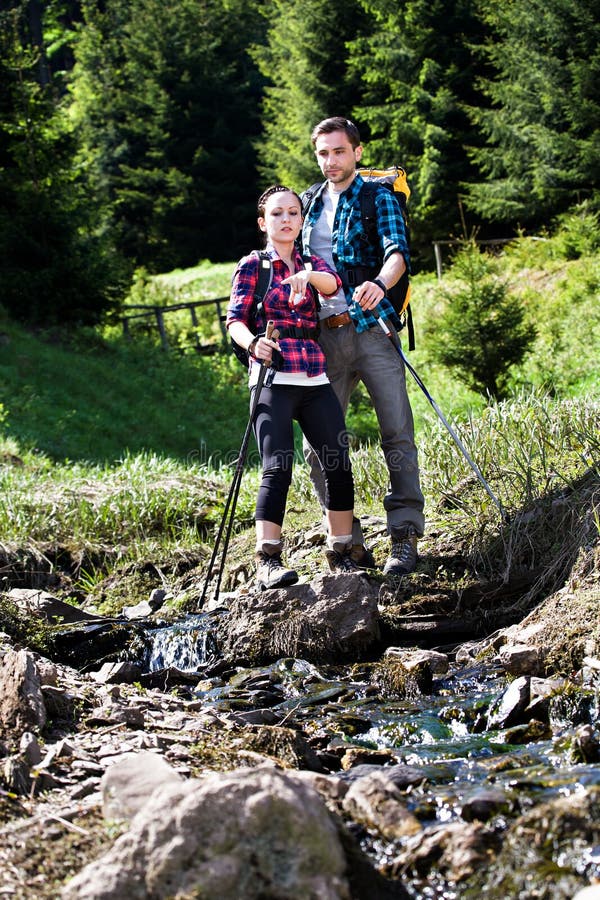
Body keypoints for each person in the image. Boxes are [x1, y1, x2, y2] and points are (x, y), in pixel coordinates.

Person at [301, 117, 425, 576]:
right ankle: (347, 541)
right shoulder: (307, 204)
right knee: (318, 445)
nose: (330, 161)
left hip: (373, 330)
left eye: (338, 151)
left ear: (356, 152)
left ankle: (405, 536)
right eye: (323, 153)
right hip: (321, 337)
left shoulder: (378, 197)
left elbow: (397, 253)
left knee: (397, 432)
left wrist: (379, 282)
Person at [227, 185, 365, 589]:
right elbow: (235, 320)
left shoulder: (311, 263)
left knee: (338, 462)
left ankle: (341, 551)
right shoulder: (253, 265)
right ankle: (268, 559)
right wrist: (253, 343)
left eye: (293, 213)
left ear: (302, 220)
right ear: (262, 222)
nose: (285, 219)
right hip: (272, 377)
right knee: (278, 466)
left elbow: (333, 285)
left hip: (314, 375)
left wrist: (305, 275)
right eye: (277, 214)